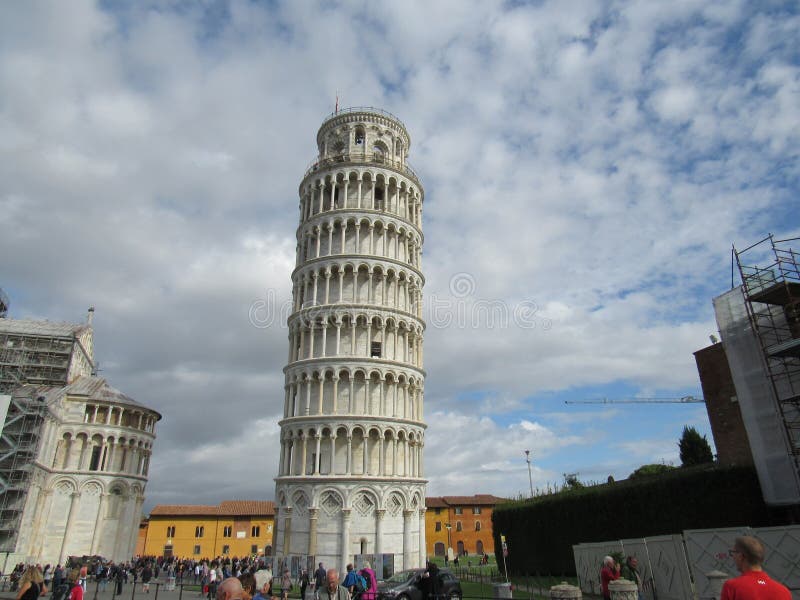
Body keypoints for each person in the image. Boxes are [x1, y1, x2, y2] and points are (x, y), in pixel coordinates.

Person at [721, 536, 791, 600]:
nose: (733, 556)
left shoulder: (732, 587)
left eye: (733, 553)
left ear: (741, 556)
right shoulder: (784, 591)